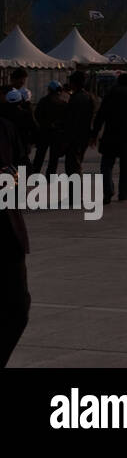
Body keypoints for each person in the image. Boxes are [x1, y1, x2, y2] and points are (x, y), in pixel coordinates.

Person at [0, 109, 30, 367]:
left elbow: (21, 162)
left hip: (7, 231)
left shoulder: (4, 126)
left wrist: (14, 175)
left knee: (18, 309)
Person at [93, 73, 127, 203]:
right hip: (126, 138)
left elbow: (100, 116)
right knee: (125, 167)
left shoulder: (109, 96)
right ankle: (123, 193)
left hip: (110, 135)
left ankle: (108, 191)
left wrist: (94, 133)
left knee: (106, 165)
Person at [32, 81, 70, 177]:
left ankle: (34, 175)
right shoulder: (63, 102)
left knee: (40, 156)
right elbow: (66, 118)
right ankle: (50, 176)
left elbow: (37, 115)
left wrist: (46, 124)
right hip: (57, 133)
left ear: (49, 89)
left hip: (44, 132)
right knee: (54, 157)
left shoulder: (43, 101)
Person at [63, 71, 96, 175]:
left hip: (74, 136)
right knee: (77, 162)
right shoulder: (90, 97)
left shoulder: (74, 98)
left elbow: (69, 118)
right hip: (85, 135)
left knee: (72, 165)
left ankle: (75, 189)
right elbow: (93, 117)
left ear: (73, 83)